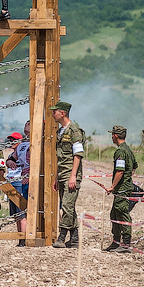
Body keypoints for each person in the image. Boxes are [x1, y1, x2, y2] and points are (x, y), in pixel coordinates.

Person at [51, 101, 85, 249]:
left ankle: (62, 237)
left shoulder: (74, 131)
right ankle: (75, 237)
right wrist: (57, 177)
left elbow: (77, 155)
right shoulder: (60, 132)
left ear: (62, 113)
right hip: (62, 173)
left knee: (66, 206)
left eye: (55, 112)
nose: (53, 114)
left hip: (71, 174)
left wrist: (73, 176)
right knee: (69, 206)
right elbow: (60, 157)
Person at [104, 126, 137, 253]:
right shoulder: (128, 149)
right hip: (124, 187)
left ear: (116, 136)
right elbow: (134, 166)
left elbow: (120, 171)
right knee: (114, 214)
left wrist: (112, 186)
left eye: (112, 134)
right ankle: (116, 242)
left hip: (122, 189)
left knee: (122, 213)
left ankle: (126, 244)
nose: (111, 137)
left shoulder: (120, 151)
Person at [6, 121, 31, 246]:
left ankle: (26, 239)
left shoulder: (37, 144)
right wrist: (9, 161)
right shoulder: (22, 145)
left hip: (30, 182)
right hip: (22, 180)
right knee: (19, 212)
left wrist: (30, 176)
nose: (26, 124)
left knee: (24, 212)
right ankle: (21, 239)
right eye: (26, 123)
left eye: (29, 123)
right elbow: (12, 157)